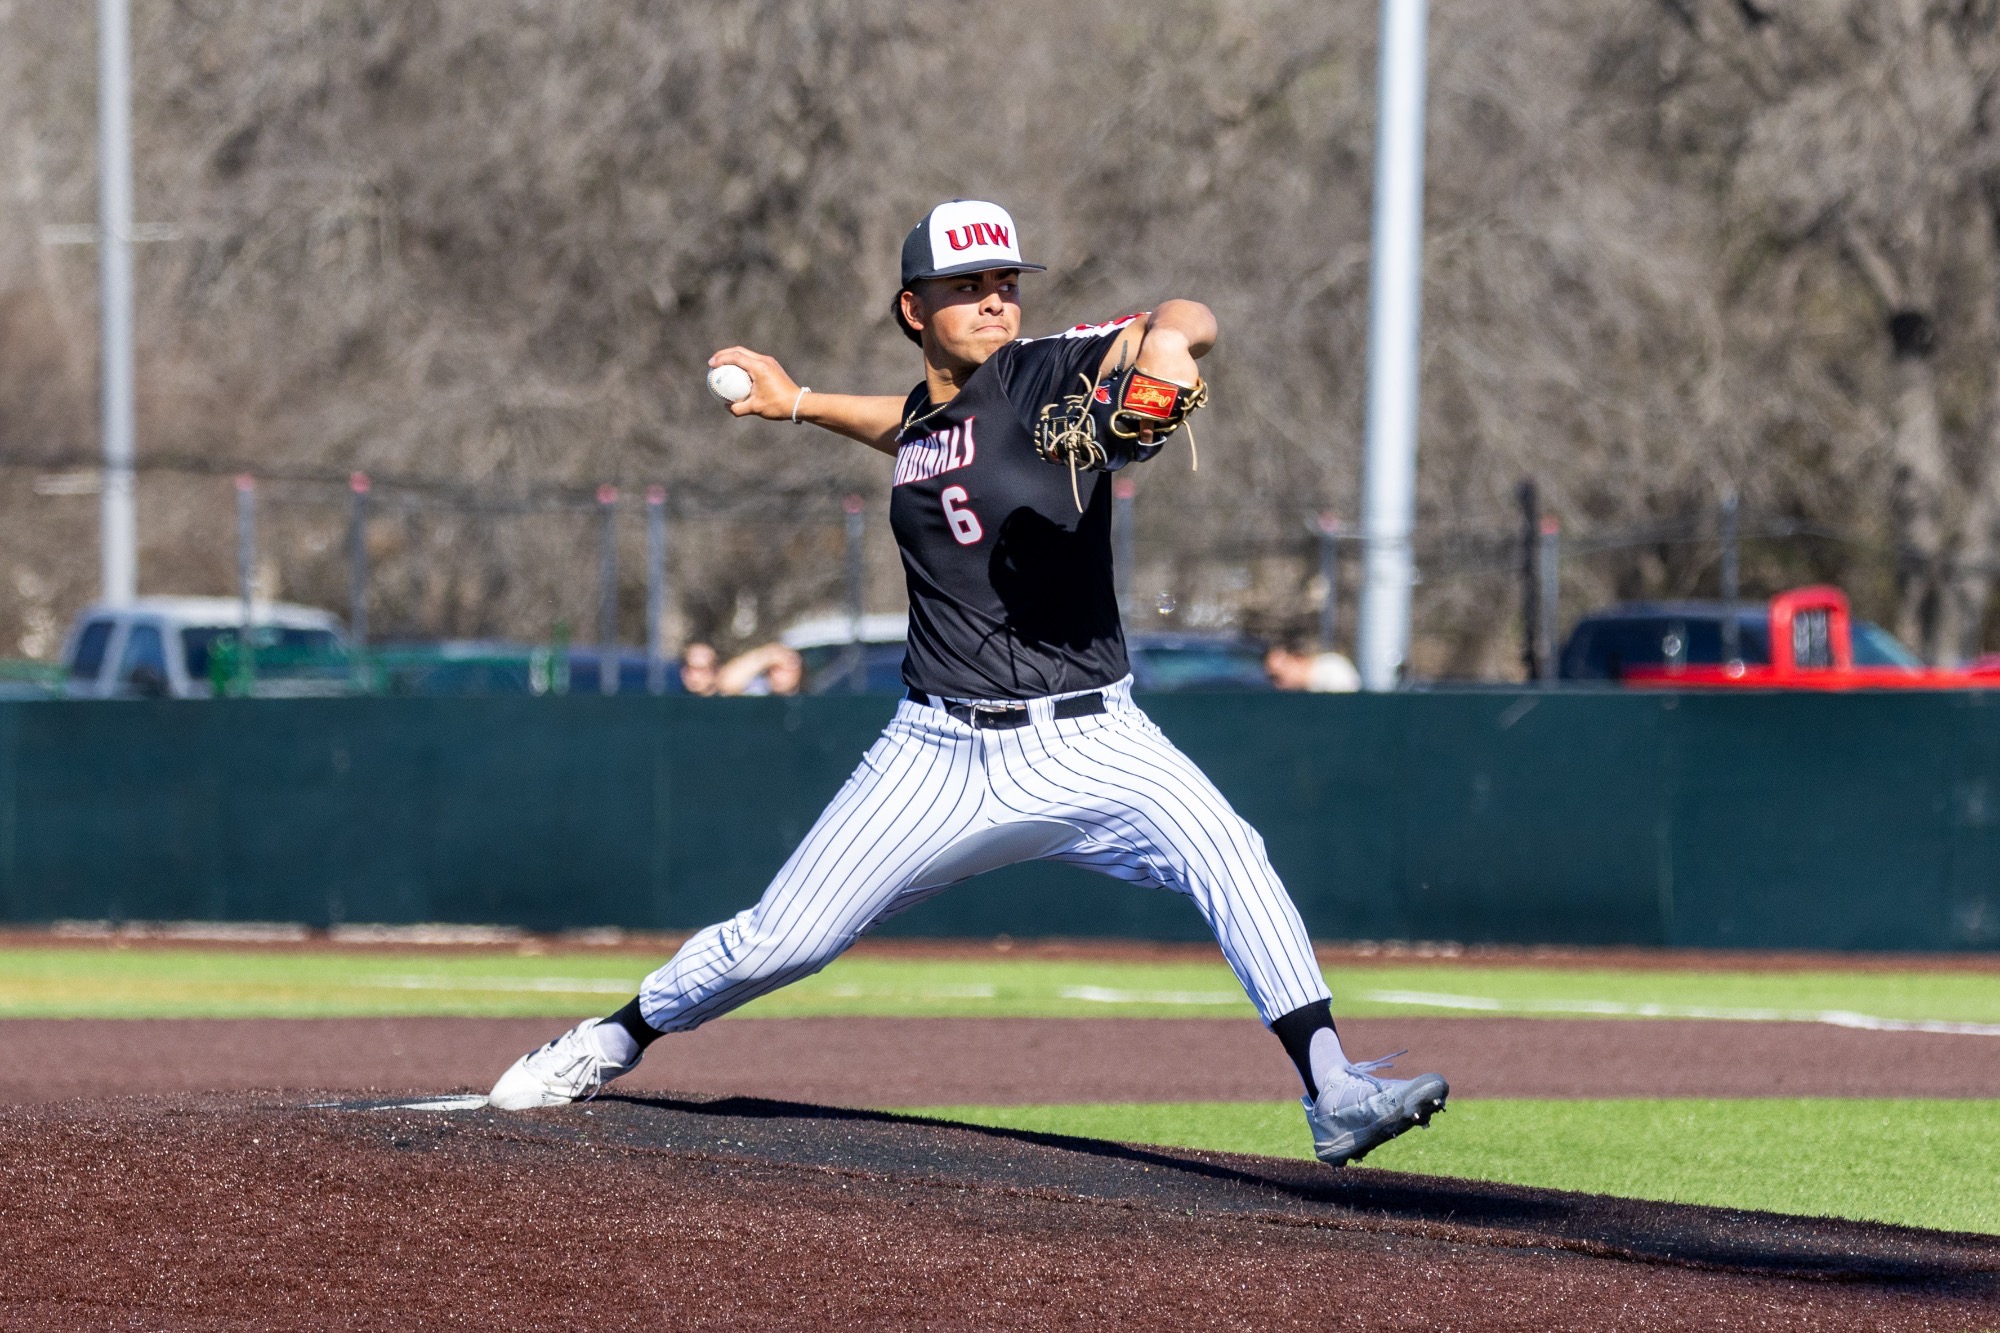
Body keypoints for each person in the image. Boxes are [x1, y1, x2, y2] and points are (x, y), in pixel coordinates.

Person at [488, 200, 1447, 1167]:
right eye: (969, 287)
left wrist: (1164, 352)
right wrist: (799, 402)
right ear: (915, 308)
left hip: (1091, 738)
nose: (996, 301)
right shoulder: (925, 417)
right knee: (780, 941)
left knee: (1230, 852)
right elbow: (910, 429)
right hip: (933, 749)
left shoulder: (1042, 370)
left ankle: (1333, 1086)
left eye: (1007, 283)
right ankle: (605, 1041)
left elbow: (1187, 319)